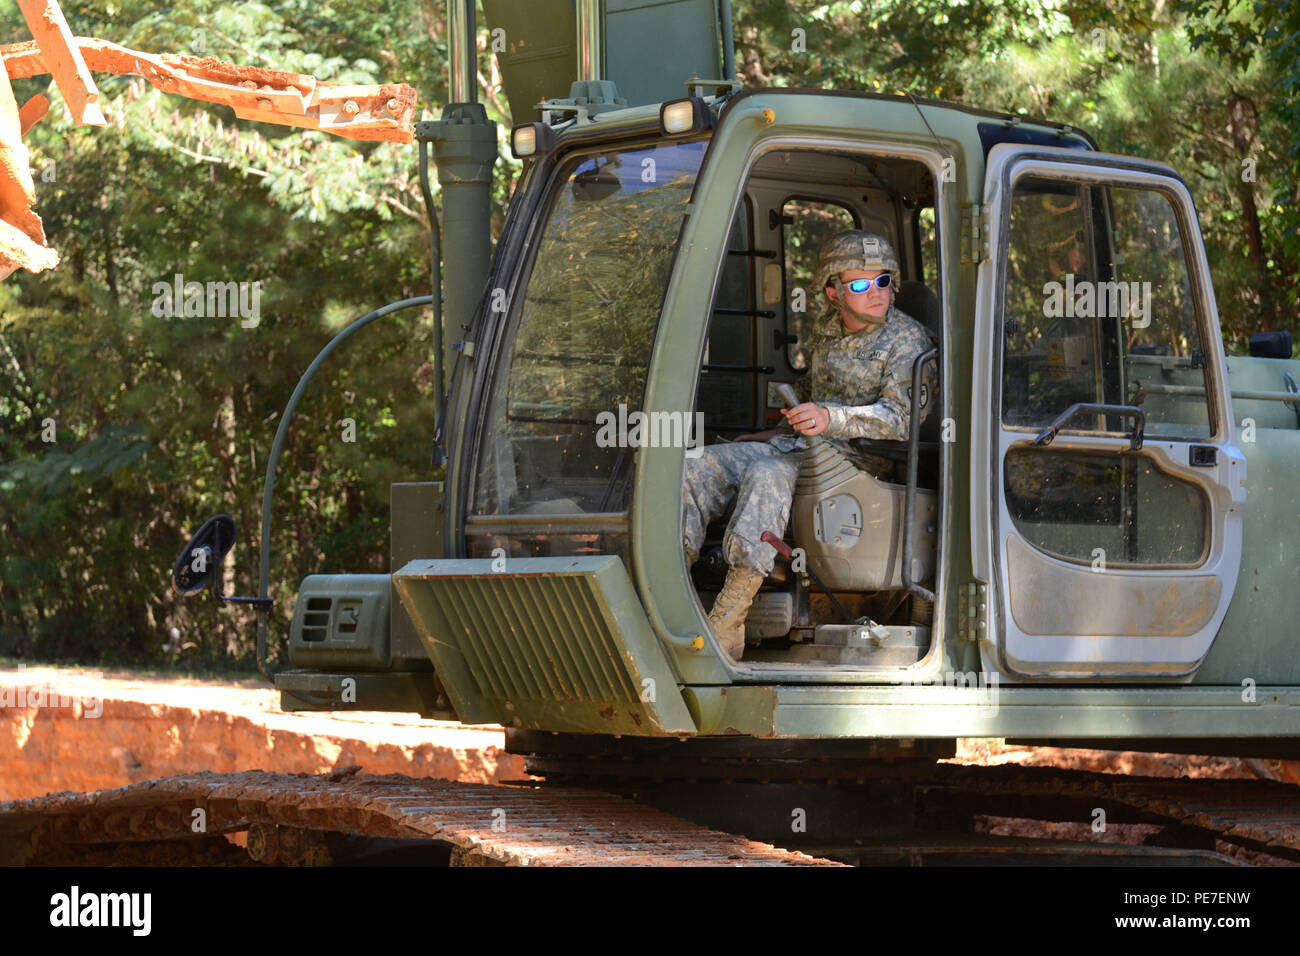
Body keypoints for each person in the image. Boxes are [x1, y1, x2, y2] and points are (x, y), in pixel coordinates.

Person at [682, 230, 936, 660]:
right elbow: (815, 389)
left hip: (861, 465)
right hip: (804, 447)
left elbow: (902, 421)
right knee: (696, 463)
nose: (876, 293)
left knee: (767, 474)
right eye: (860, 284)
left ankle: (728, 619)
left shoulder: (908, 342)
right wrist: (780, 429)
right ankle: (674, 588)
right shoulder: (826, 331)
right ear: (833, 292)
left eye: (884, 281)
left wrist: (828, 417)